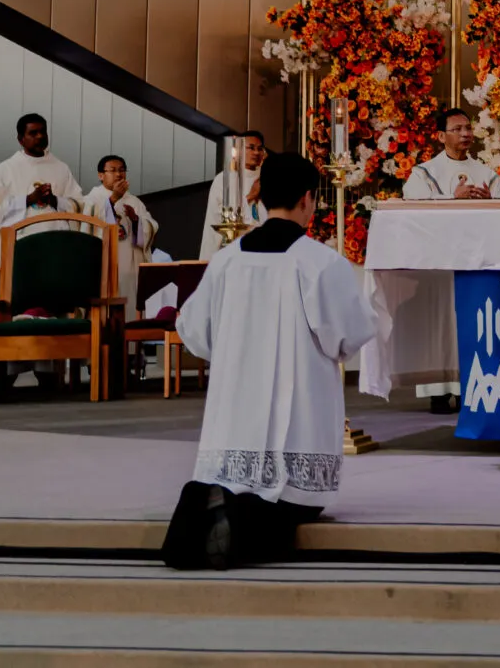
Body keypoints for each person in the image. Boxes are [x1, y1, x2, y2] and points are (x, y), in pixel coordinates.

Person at [162, 153, 378, 571]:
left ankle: (209, 505)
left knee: (236, 484)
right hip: (298, 426)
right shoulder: (319, 261)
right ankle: (231, 525)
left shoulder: (227, 259)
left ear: (261, 199)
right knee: (289, 505)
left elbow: (194, 330)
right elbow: (348, 334)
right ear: (308, 200)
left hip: (234, 419)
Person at [0, 114, 82, 298]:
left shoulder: (61, 168)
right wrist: (28, 199)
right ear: (21, 139)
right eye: (33, 133)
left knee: (53, 301)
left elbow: (79, 205)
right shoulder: (4, 170)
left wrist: (55, 201)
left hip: (55, 246)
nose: (40, 136)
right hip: (19, 249)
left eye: (43, 131)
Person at [81, 155, 159, 306]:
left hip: (130, 269)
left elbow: (151, 228)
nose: (119, 174)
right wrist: (113, 200)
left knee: (130, 308)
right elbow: (88, 228)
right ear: (101, 175)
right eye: (113, 170)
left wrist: (136, 220)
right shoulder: (91, 200)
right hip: (104, 269)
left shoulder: (134, 201)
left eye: (122, 170)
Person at [402, 109, 500, 200]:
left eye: (468, 128)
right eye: (457, 129)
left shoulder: (487, 174)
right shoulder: (423, 173)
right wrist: (453, 198)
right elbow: (414, 202)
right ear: (441, 136)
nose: (465, 134)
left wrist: (490, 201)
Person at [202, 132, 268, 261]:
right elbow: (218, 218)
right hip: (234, 249)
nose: (256, 153)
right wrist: (250, 197)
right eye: (252, 148)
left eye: (260, 149)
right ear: (240, 149)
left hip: (262, 250)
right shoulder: (224, 179)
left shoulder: (267, 178)